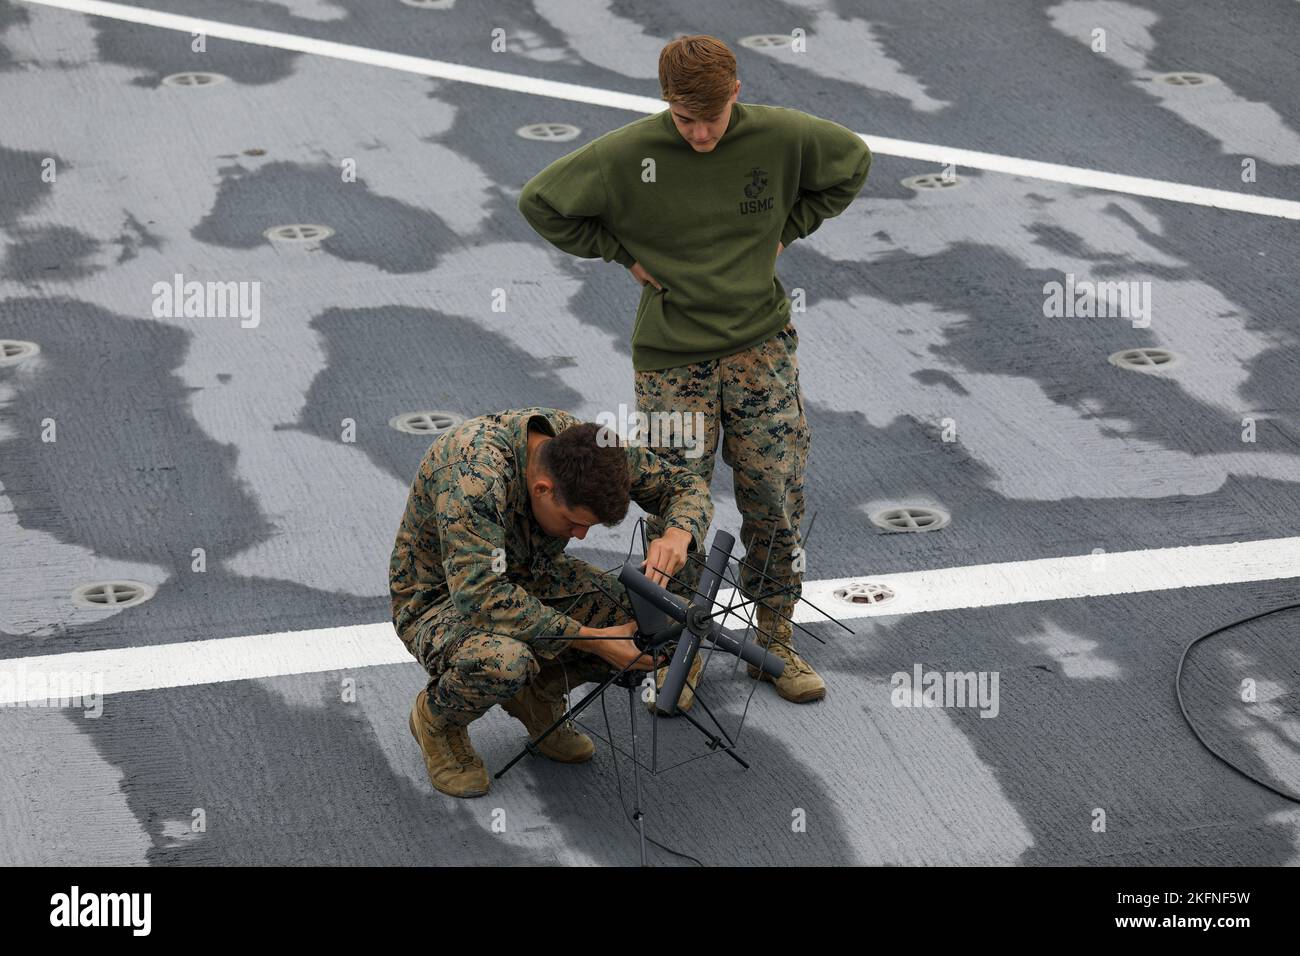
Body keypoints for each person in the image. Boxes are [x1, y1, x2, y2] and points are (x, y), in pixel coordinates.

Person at [518, 35, 872, 703]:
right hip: (672, 362)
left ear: (736, 94)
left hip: (760, 349)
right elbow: (542, 201)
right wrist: (619, 252)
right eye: (685, 122)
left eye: (713, 118)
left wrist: (788, 227)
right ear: (666, 105)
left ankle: (775, 638)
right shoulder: (628, 155)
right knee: (673, 506)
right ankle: (678, 648)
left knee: (775, 495)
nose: (702, 135)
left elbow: (852, 162)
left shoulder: (780, 137)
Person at [389, 407, 713, 798]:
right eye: (573, 521)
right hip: (442, 599)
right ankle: (437, 720)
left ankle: (538, 697)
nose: (578, 536)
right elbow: (481, 595)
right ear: (542, 489)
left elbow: (684, 485)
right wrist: (591, 637)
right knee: (506, 662)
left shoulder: (586, 450)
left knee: (660, 623)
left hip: (534, 574)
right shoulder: (473, 473)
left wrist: (679, 532)